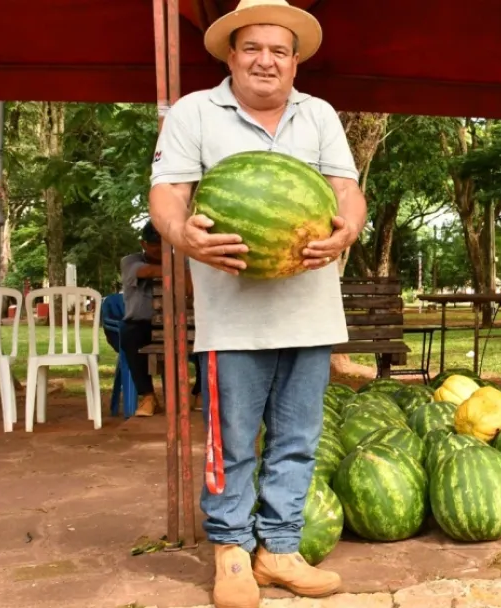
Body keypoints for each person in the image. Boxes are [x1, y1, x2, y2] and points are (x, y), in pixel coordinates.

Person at [147, 1, 367, 606]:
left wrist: (347, 229)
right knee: (233, 441)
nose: (265, 61)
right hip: (231, 317)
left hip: (311, 309)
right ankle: (231, 552)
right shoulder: (195, 112)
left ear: (294, 62)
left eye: (278, 50)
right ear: (231, 55)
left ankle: (280, 549)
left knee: (298, 438)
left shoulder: (318, 115)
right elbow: (168, 193)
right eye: (252, 48)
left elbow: (348, 193)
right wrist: (181, 233)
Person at [119, 220, 202, 416]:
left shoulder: (184, 261)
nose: (160, 250)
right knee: (129, 333)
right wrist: (183, 272)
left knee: (205, 333)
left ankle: (199, 392)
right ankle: (147, 396)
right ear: (143, 244)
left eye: (165, 244)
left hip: (180, 324)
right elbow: (147, 271)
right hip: (143, 326)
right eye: (155, 245)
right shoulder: (130, 260)